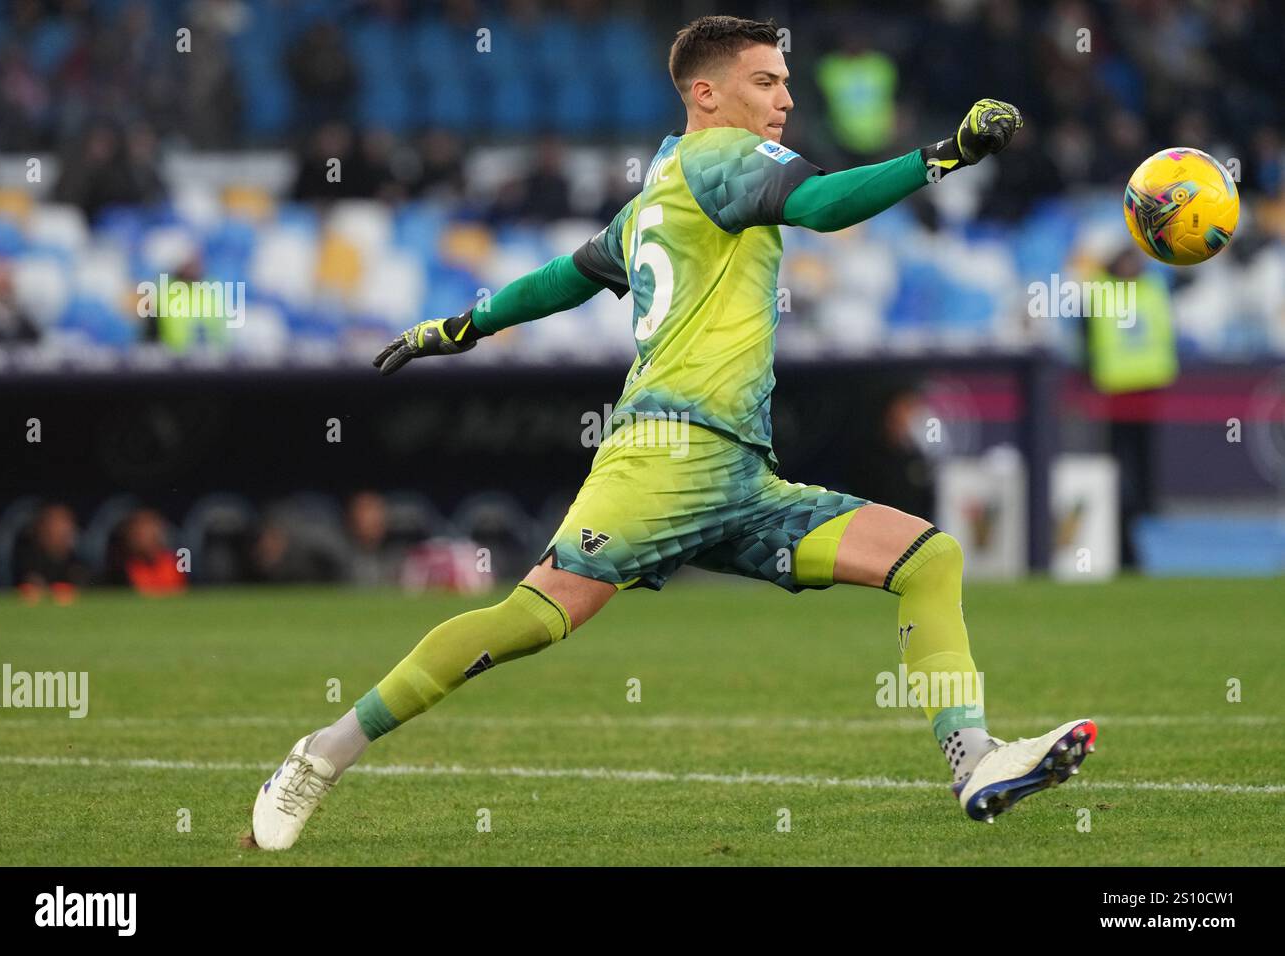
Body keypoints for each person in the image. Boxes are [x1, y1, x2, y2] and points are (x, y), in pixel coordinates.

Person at [252, 15, 1096, 850]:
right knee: (535, 617)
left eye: (786, 83)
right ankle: (321, 753)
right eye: (766, 82)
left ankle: (973, 758)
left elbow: (565, 276)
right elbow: (824, 204)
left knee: (928, 558)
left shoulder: (662, 189)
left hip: (741, 478)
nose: (785, 99)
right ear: (706, 92)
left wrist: (461, 326)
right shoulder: (724, 156)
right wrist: (942, 156)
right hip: (667, 458)